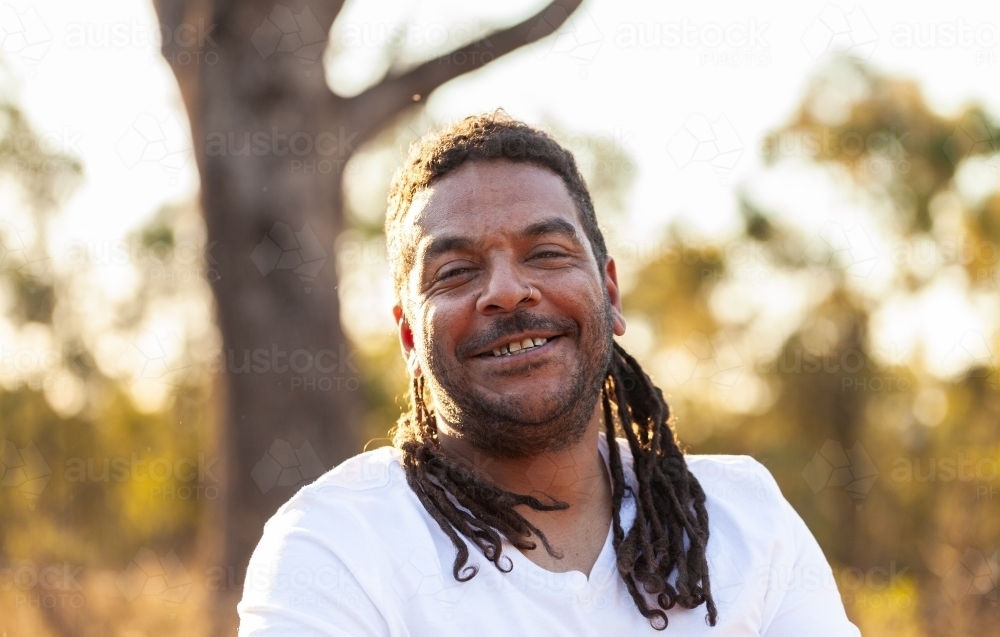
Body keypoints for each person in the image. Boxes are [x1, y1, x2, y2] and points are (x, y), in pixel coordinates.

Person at [237, 112, 861, 635]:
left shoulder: (744, 519)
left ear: (609, 294)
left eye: (546, 254)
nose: (507, 292)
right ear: (408, 335)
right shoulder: (334, 546)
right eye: (455, 271)